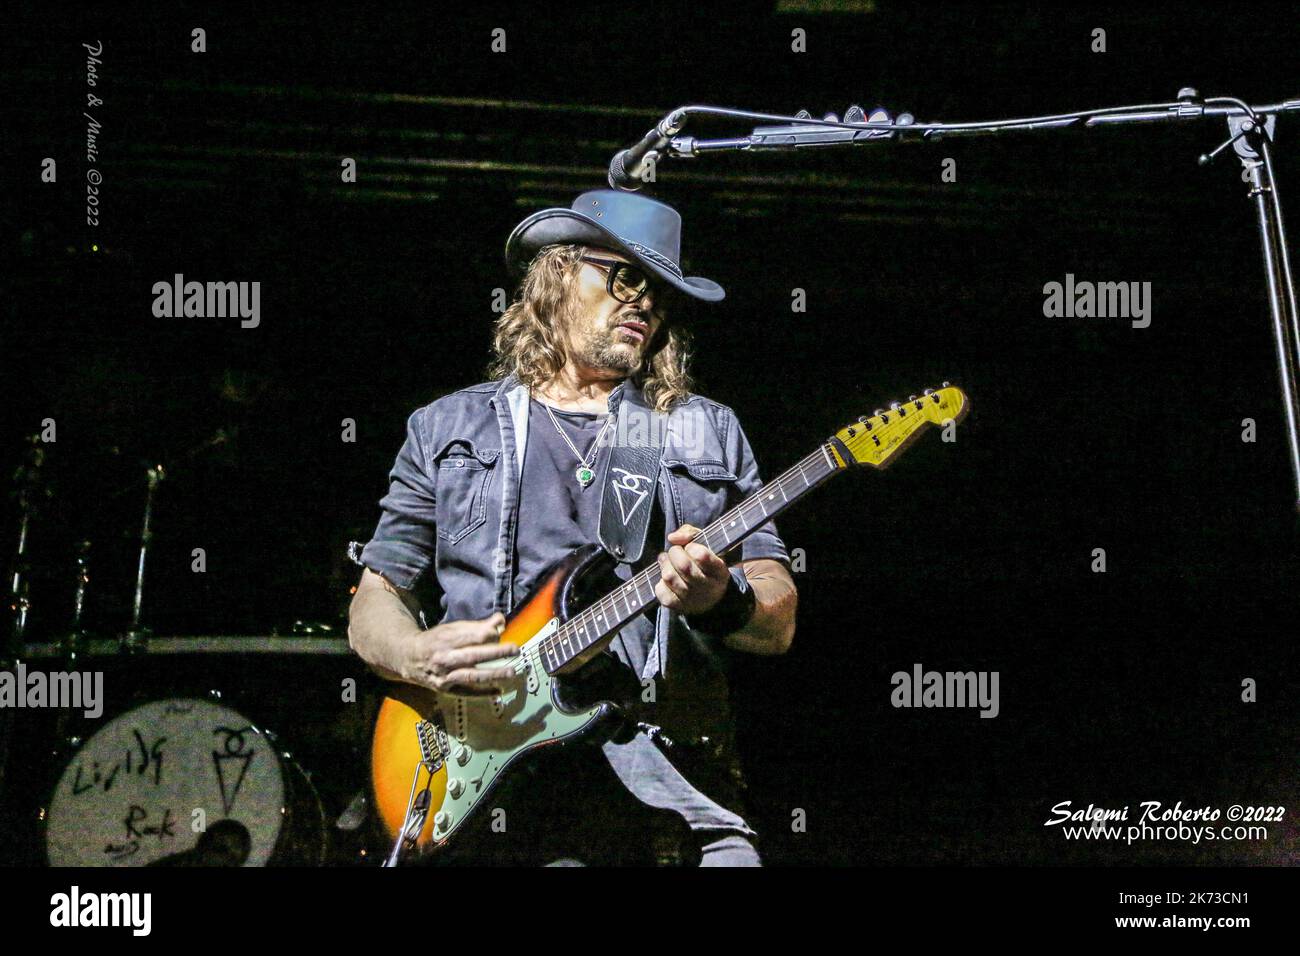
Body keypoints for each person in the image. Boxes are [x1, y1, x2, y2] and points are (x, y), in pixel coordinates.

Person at [348, 188, 797, 865]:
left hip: (670, 779)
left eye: (659, 291)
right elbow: (377, 599)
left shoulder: (702, 428)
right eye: (625, 277)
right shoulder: (447, 428)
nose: (644, 301)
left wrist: (720, 600)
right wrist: (416, 656)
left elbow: (778, 618)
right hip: (488, 780)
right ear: (557, 276)